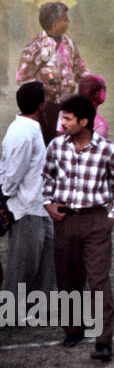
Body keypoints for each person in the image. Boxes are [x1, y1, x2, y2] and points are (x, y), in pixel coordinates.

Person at [42, 94, 114, 360]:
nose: (62, 123)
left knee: (98, 280)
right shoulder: (56, 146)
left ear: (84, 122)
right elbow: (46, 177)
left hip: (95, 222)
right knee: (67, 278)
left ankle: (103, 341)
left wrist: (111, 216)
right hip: (65, 221)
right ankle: (73, 330)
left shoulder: (108, 149)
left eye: (68, 119)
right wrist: (48, 204)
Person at [1, 82, 55, 298]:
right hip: (26, 209)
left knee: (44, 266)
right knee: (22, 269)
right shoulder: (24, 131)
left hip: (38, 207)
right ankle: (11, 311)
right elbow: (13, 174)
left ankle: (35, 308)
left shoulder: (28, 128)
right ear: (41, 105)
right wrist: (6, 196)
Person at [16, 1, 86, 145]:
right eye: (65, 19)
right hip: (46, 109)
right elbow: (22, 78)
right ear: (55, 24)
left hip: (69, 106)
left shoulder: (68, 42)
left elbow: (78, 68)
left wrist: (92, 82)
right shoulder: (36, 47)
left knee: (66, 146)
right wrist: (42, 89)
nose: (68, 22)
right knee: (48, 145)